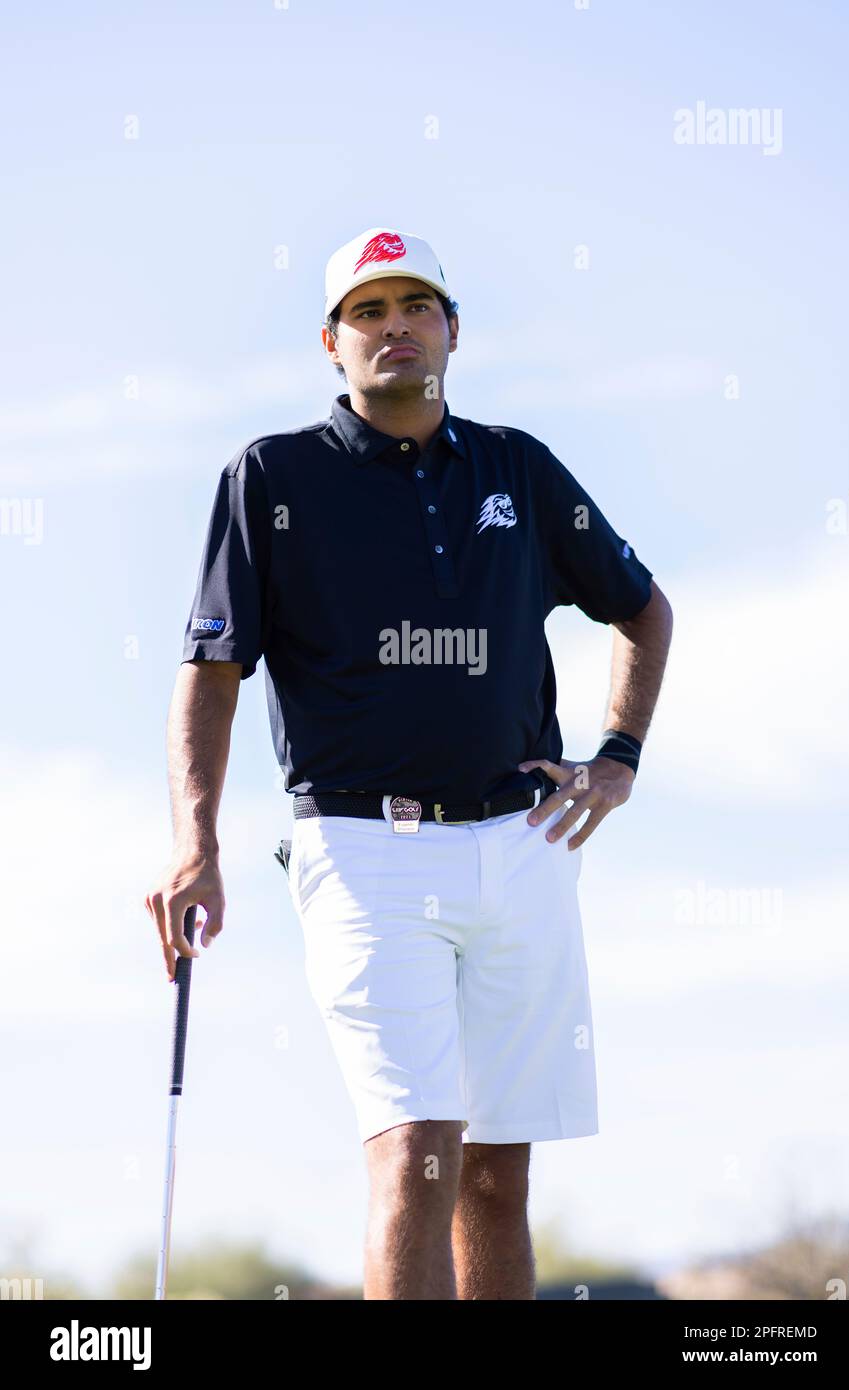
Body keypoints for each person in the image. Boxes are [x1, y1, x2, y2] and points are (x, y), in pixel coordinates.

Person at [144, 226, 674, 1300]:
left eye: (416, 307)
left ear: (453, 331)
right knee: (419, 1148)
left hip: (523, 841)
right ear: (332, 343)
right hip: (362, 846)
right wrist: (194, 845)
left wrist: (616, 756)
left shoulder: (517, 467)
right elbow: (210, 672)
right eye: (369, 313)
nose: (395, 328)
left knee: (494, 1175)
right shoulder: (272, 476)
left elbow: (642, 606)